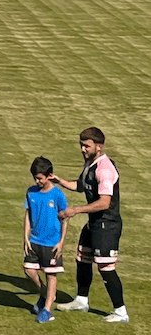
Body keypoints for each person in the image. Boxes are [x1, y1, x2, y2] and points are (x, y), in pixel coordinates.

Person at [57, 127, 127, 322]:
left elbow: (105, 202)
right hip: (94, 223)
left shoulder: (104, 169)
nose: (82, 149)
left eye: (86, 145)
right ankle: (81, 300)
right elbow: (81, 185)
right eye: (81, 145)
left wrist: (75, 210)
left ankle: (121, 312)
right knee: (83, 258)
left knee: (105, 267)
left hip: (107, 224)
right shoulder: (91, 164)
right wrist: (59, 180)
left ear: (99, 146)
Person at [24, 158, 71, 323]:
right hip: (35, 240)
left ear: (49, 176)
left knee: (51, 275)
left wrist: (61, 242)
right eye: (35, 178)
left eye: (40, 178)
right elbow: (28, 215)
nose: (37, 181)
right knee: (29, 270)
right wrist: (26, 237)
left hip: (51, 243)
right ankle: (44, 293)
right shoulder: (31, 192)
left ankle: (47, 310)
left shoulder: (58, 194)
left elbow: (65, 218)